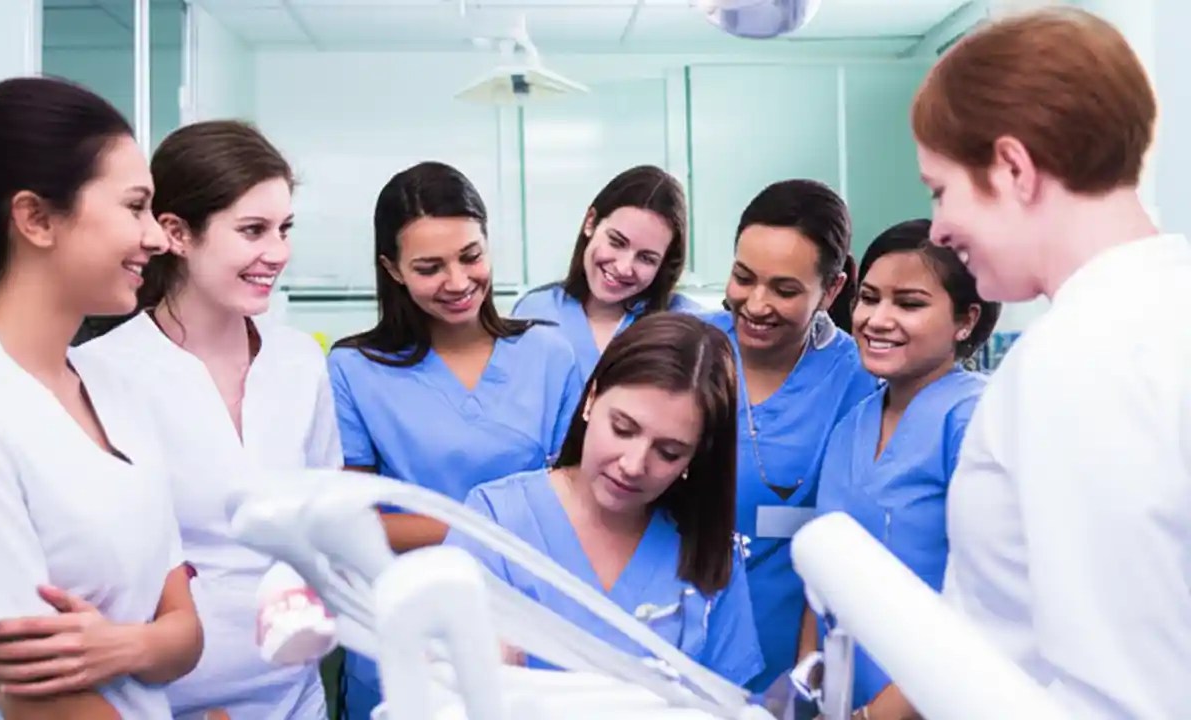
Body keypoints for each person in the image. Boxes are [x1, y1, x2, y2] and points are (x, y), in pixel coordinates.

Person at [912, 8, 1191, 718]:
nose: (939, 227)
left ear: (1012, 167)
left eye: (942, 189)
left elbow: (1122, 699)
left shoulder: (1080, 361)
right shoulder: (1164, 305)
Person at [0, 77, 202, 719]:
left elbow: (184, 632)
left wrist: (127, 646)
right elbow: (39, 702)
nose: (157, 238)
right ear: (36, 219)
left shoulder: (116, 390)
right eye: (135, 208)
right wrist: (147, 645)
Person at [71, 121, 340, 719]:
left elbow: (327, 515)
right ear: (176, 233)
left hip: (296, 695)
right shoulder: (99, 375)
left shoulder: (299, 360)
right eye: (252, 230)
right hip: (164, 704)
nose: (278, 252)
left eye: (284, 229)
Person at [327, 160, 579, 718]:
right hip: (406, 627)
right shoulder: (354, 369)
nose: (459, 282)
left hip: (531, 622)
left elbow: (577, 502)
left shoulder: (548, 354)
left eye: (471, 256)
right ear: (391, 269)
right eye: (429, 267)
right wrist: (493, 528)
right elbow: (347, 524)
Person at [444, 312, 763, 684]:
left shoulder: (708, 553)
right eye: (622, 429)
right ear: (591, 399)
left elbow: (730, 700)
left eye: (669, 452)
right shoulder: (498, 522)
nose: (633, 465)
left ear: (696, 456)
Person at [801, 218, 999, 718]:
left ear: (966, 319)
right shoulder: (852, 425)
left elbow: (984, 608)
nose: (876, 319)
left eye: (909, 303)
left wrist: (874, 716)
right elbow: (822, 579)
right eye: (868, 298)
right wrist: (809, 685)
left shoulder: (974, 422)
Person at [699, 179, 878, 689]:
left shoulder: (859, 379)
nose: (755, 304)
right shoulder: (689, 350)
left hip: (793, 649)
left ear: (834, 289)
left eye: (784, 289)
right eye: (742, 277)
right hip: (673, 632)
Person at [512, 165, 701, 383]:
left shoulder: (689, 327)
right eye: (616, 242)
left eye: (646, 258)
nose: (623, 267)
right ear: (590, 222)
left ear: (665, 264)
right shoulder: (536, 310)